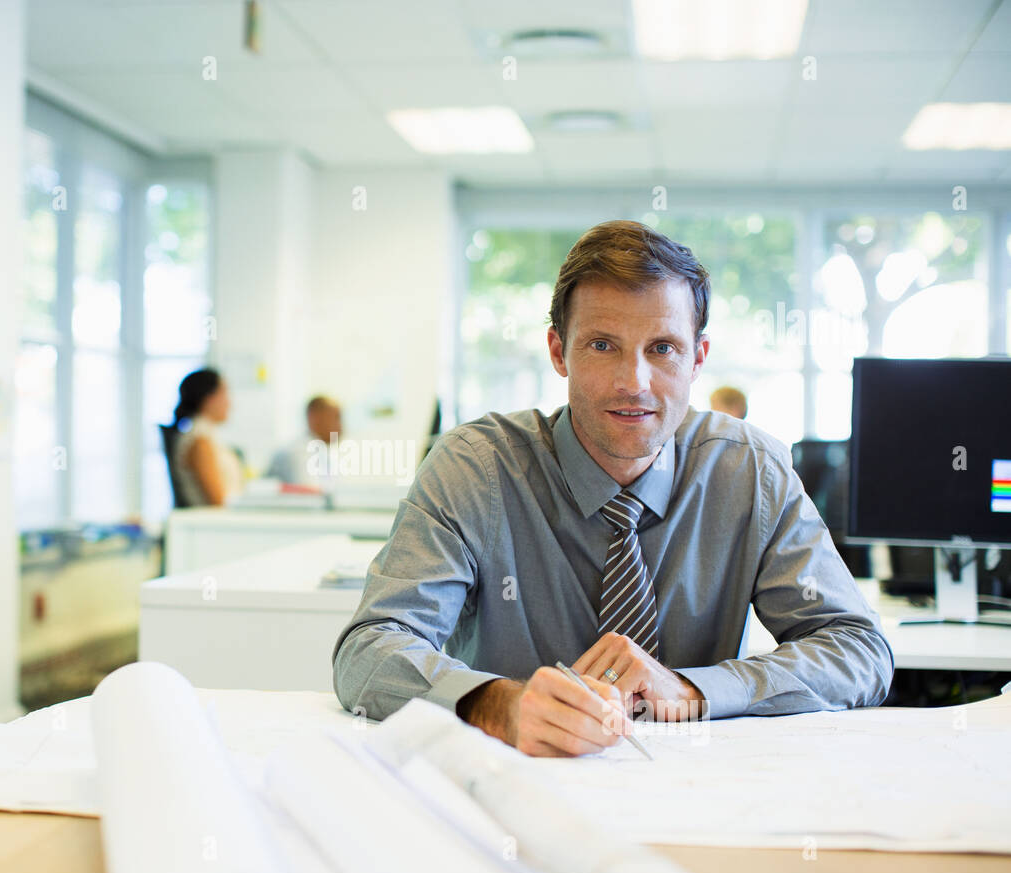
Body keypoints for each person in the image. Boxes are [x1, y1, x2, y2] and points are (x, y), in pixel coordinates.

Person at [333, 220, 892, 757]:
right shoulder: (474, 469)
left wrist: (694, 690)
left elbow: (858, 650)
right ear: (559, 352)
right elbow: (370, 649)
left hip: (702, 784)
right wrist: (497, 704)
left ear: (697, 358)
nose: (634, 382)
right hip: (516, 780)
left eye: (662, 348)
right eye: (602, 345)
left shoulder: (750, 473)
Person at [171, 368, 243, 506]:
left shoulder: (205, 435)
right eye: (224, 393)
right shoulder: (199, 441)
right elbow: (217, 501)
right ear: (209, 398)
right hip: (214, 517)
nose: (230, 403)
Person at [265, 395, 343, 486]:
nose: (340, 427)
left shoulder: (320, 452)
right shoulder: (298, 452)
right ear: (315, 418)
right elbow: (312, 491)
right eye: (336, 418)